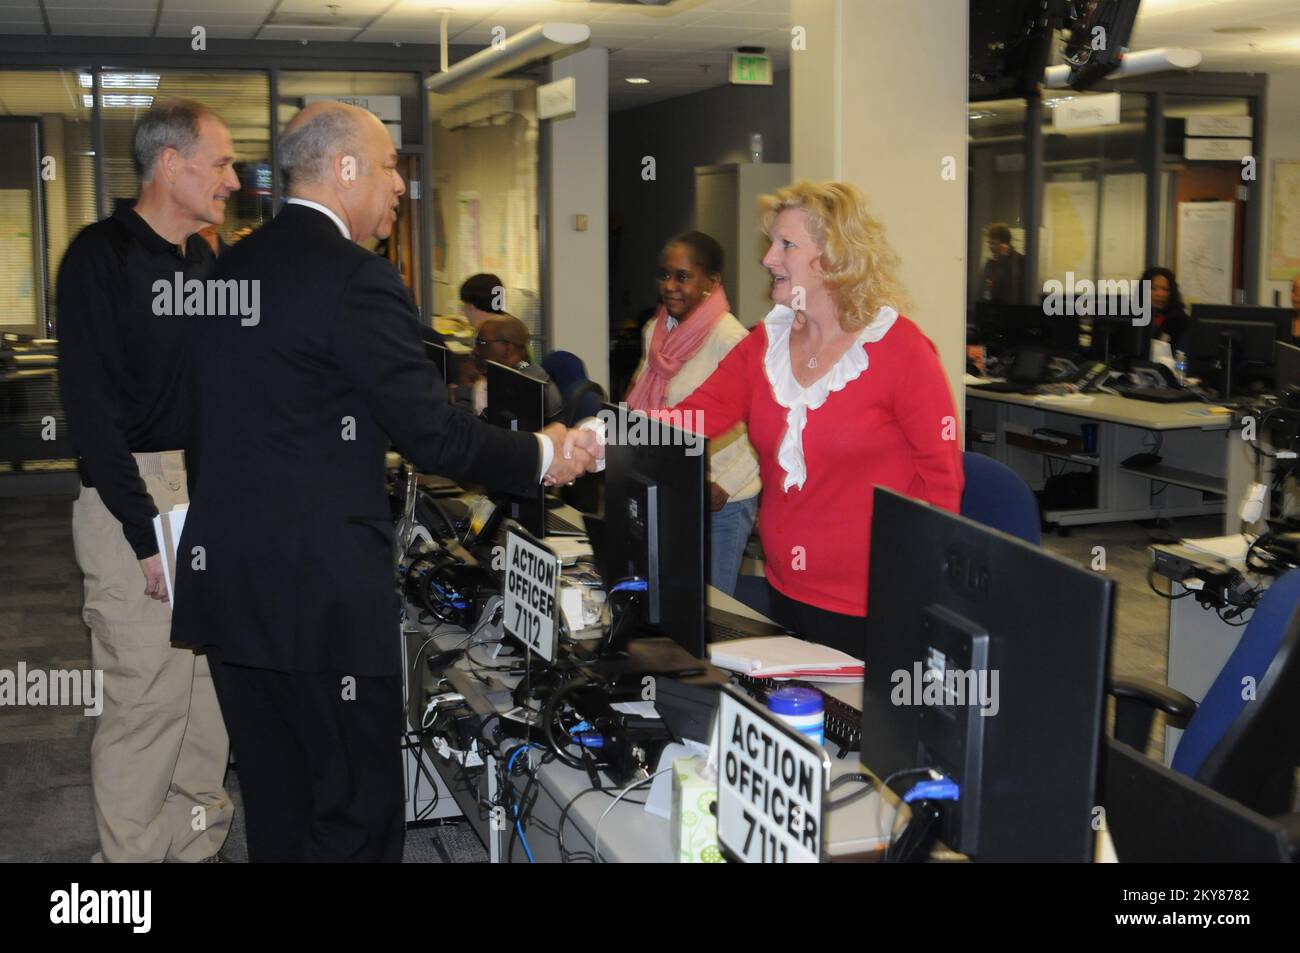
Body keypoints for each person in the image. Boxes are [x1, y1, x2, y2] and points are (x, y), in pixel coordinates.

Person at [171, 101, 600, 862]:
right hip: (320, 599)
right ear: (343, 169)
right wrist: (542, 452)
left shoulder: (224, 266)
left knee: (278, 802)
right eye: (389, 165)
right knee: (355, 811)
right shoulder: (356, 279)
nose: (400, 185)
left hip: (229, 582)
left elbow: (207, 422)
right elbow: (431, 432)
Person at [662, 181, 963, 655]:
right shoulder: (766, 343)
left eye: (786, 245)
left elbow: (942, 486)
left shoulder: (902, 350)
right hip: (785, 587)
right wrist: (598, 439)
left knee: (855, 729)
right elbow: (689, 418)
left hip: (876, 604)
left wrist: (922, 592)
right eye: (771, 243)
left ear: (836, 258)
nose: (767, 258)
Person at [56, 99, 239, 863]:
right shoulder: (101, 257)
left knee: (205, 706)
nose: (233, 178)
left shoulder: (202, 260)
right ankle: (124, 873)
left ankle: (195, 847)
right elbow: (93, 414)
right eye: (221, 162)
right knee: (146, 699)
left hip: (203, 490)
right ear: (171, 163)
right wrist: (143, 535)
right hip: (133, 487)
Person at [625, 231, 762, 596]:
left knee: (711, 606)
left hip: (720, 498)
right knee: (671, 598)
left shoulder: (731, 339)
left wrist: (726, 484)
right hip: (669, 483)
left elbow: (763, 425)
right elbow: (648, 402)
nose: (670, 286)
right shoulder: (655, 331)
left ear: (711, 282)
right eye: (664, 274)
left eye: (683, 276)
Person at [471, 313, 565, 423]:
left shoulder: (526, 387)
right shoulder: (521, 371)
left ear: (507, 349)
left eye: (481, 343)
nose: (474, 351)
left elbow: (483, 432)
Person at [1139, 266, 1191, 355]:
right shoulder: (1134, 317)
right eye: (1153, 288)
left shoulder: (1181, 321)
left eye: (1165, 289)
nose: (1160, 294)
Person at [979, 222, 1023, 304]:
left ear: (1005, 245)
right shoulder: (991, 264)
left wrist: (1003, 259)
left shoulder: (1019, 262)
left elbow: (1004, 285)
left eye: (993, 243)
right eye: (989, 243)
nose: (990, 248)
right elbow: (985, 290)